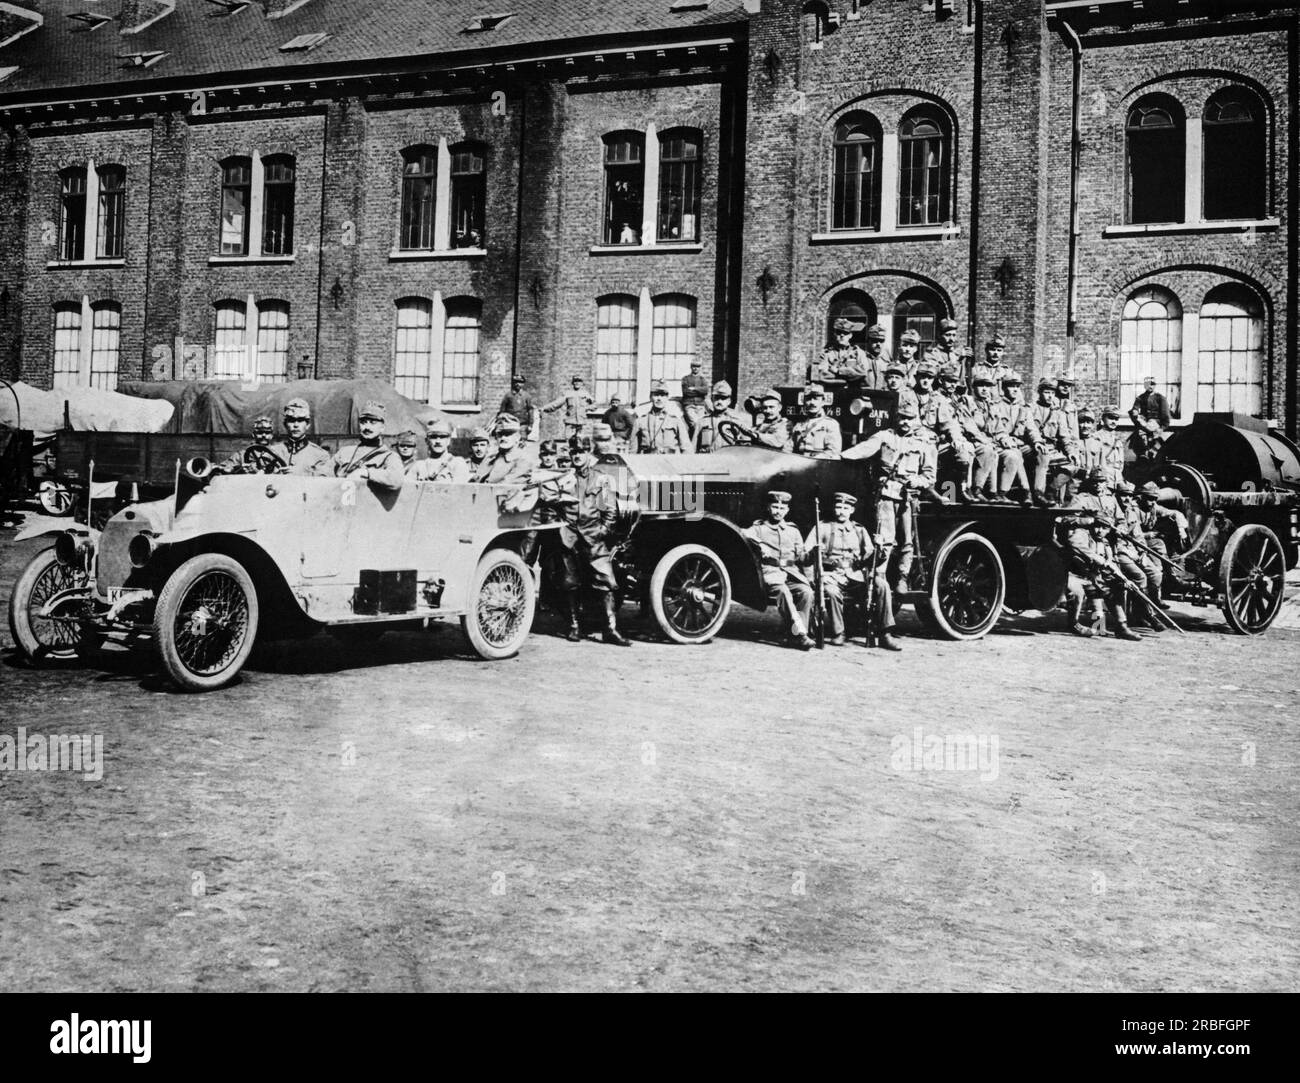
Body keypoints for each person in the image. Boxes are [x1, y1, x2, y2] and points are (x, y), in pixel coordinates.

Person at [842, 401, 936, 594]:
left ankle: (902, 577)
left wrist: (915, 481)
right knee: (884, 538)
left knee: (906, 540)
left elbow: (929, 476)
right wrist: (840, 456)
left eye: (910, 419)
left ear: (916, 420)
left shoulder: (924, 444)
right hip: (885, 494)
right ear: (897, 418)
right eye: (902, 418)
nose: (905, 422)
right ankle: (880, 575)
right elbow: (863, 450)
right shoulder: (885, 436)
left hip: (909, 497)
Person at [555, 433, 631, 646]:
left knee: (605, 581)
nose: (577, 456)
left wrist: (603, 531)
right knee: (570, 582)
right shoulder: (563, 477)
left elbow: (610, 510)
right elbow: (553, 504)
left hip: (593, 537)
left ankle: (610, 630)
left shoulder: (601, 477)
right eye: (574, 452)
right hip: (568, 536)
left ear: (589, 453)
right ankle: (574, 626)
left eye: (581, 452)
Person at [806, 491, 900, 650]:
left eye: (845, 508)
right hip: (832, 576)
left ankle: (885, 633)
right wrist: (818, 577)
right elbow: (806, 556)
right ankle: (839, 632)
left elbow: (873, 560)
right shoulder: (821, 528)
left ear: (852, 510)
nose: (841, 511)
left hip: (857, 577)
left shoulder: (859, 530)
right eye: (838, 507)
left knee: (882, 586)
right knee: (831, 591)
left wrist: (880, 548)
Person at [744, 490, 815, 650]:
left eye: (782, 508)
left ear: (787, 511)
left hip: (791, 573)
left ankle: (794, 632)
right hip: (771, 573)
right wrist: (759, 544)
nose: (778, 511)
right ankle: (800, 636)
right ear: (768, 508)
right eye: (775, 507)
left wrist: (812, 554)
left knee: (806, 592)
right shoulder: (759, 528)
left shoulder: (793, 531)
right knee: (782, 591)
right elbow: (744, 533)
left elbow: (801, 558)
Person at [1059, 513, 1143, 641]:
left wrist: (1124, 579)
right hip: (1070, 574)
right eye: (1097, 526)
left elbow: (1110, 564)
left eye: (1104, 528)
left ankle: (1121, 626)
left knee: (1111, 589)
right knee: (1078, 592)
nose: (1099, 530)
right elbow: (1073, 543)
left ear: (1109, 530)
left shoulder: (1105, 543)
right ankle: (1073, 624)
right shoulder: (1082, 533)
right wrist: (1094, 557)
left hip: (1091, 577)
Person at [915, 358, 975, 502]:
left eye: (929, 378)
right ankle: (928, 488)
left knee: (963, 451)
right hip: (916, 438)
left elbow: (948, 423)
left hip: (937, 440)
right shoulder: (909, 395)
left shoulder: (941, 399)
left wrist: (957, 439)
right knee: (930, 447)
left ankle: (962, 489)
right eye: (922, 377)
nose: (925, 381)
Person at [968, 375, 1025, 502]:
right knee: (988, 451)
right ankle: (977, 490)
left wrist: (1005, 439)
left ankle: (1001, 493)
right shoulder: (968, 403)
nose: (984, 389)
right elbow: (969, 427)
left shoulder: (992, 407)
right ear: (974, 388)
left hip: (992, 443)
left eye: (988, 386)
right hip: (974, 442)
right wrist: (983, 439)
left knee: (1012, 455)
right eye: (981, 385)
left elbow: (999, 429)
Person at [331, 401, 405, 490]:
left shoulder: (389, 456)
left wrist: (366, 473)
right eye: (363, 422)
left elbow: (396, 479)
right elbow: (323, 473)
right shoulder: (344, 452)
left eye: (373, 422)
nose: (367, 427)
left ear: (382, 428)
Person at [1029, 379, 1078, 506]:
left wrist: (1071, 451)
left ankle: (1051, 490)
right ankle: (1038, 493)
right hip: (1034, 446)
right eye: (1046, 392)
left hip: (1051, 448)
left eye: (1052, 393)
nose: (1050, 396)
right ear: (1040, 393)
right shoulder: (1031, 408)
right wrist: (1037, 441)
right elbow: (1031, 429)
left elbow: (1064, 435)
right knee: (1043, 456)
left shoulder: (1057, 412)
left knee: (1074, 465)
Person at [267, 398, 332, 476]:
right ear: (285, 425)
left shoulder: (320, 455)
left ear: (307, 425)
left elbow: (324, 482)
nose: (296, 425)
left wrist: (303, 473)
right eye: (291, 420)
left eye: (300, 420)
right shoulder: (272, 452)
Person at [474, 413, 536, 484]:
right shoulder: (490, 458)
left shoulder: (523, 460)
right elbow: (474, 481)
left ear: (517, 437)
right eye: (500, 434)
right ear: (496, 437)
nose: (503, 438)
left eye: (508, 434)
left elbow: (505, 486)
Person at [632, 381, 692, 453]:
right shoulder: (640, 421)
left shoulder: (675, 421)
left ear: (667, 398)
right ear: (650, 397)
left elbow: (686, 448)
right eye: (656, 395)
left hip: (669, 461)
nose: (659, 399)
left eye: (663, 395)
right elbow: (632, 451)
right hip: (647, 461)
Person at [215, 415, 283, 474]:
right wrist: (239, 469)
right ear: (254, 435)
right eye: (260, 432)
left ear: (271, 435)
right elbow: (224, 467)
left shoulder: (279, 453)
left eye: (267, 433)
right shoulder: (241, 455)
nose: (263, 435)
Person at [410, 418, 470, 482]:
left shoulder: (457, 463)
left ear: (449, 440)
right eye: (433, 437)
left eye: (442, 437)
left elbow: (460, 490)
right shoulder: (419, 466)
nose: (438, 441)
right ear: (427, 441)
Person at [791, 385, 842, 459]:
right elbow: (788, 448)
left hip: (819, 465)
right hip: (798, 463)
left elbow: (833, 452)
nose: (812, 402)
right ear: (804, 402)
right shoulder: (799, 425)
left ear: (823, 401)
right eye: (808, 399)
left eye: (816, 399)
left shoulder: (831, 424)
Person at [694, 381, 745, 453]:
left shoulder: (736, 422)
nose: (719, 401)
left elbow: (745, 448)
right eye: (717, 398)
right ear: (712, 399)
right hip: (706, 460)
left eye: (723, 398)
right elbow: (693, 449)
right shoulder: (702, 422)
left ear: (729, 401)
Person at [1129, 376, 1171, 461]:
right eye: (1148, 384)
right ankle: (1144, 453)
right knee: (1141, 433)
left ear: (1155, 386)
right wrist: (1135, 411)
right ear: (1144, 386)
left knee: (1151, 435)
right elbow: (1135, 408)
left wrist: (1162, 428)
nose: (1150, 386)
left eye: (1152, 384)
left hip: (1156, 423)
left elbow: (1165, 416)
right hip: (1143, 422)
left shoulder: (1160, 398)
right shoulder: (1140, 397)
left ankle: (1151, 452)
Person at [816, 318, 870, 383]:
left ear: (850, 335)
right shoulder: (826, 354)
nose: (842, 335)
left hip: (853, 391)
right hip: (832, 390)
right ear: (834, 334)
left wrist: (838, 371)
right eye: (839, 333)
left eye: (845, 333)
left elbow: (863, 372)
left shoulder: (858, 353)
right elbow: (821, 376)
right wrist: (851, 375)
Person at [929, 319, 971, 387]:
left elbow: (962, 379)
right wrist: (957, 361)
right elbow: (934, 373)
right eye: (948, 335)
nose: (951, 339)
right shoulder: (931, 354)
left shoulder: (956, 354)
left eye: (954, 335)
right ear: (939, 335)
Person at [499, 375, 538, 441]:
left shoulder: (526, 396)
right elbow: (502, 411)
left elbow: (530, 411)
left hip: (523, 424)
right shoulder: (508, 395)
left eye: (520, 382)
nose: (517, 384)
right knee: (510, 441)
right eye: (515, 382)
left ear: (523, 384)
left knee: (522, 442)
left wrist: (530, 425)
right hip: (510, 424)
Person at [1097, 404, 1127, 485]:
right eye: (1110, 418)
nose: (1114, 421)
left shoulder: (1117, 440)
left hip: (1117, 480)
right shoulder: (1097, 437)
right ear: (1103, 418)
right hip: (1103, 480)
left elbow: (1121, 464)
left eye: (1116, 419)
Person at [680, 360, 710, 436]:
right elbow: (686, 392)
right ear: (691, 367)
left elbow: (705, 390)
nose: (695, 368)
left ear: (700, 368)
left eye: (697, 367)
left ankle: (700, 444)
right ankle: (695, 444)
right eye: (694, 366)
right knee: (696, 424)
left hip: (700, 406)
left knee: (702, 424)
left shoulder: (702, 379)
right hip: (689, 405)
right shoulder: (685, 379)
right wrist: (700, 391)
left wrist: (694, 388)